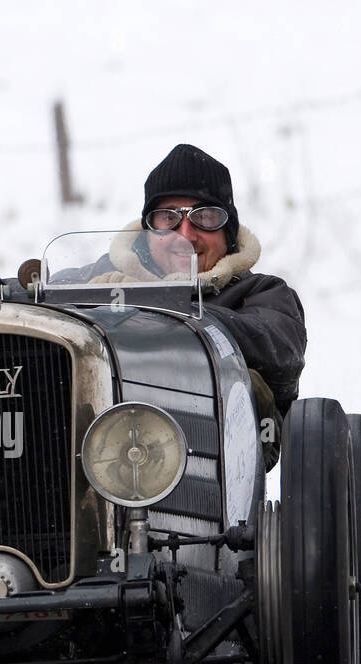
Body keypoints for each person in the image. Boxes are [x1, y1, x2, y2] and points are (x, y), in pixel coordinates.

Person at [68, 144, 307, 469]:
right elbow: (39, 297)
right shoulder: (102, 280)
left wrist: (161, 311)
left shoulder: (259, 293)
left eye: (205, 218)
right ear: (147, 234)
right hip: (98, 457)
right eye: (167, 218)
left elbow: (277, 346)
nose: (186, 234)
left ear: (229, 232)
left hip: (208, 464)